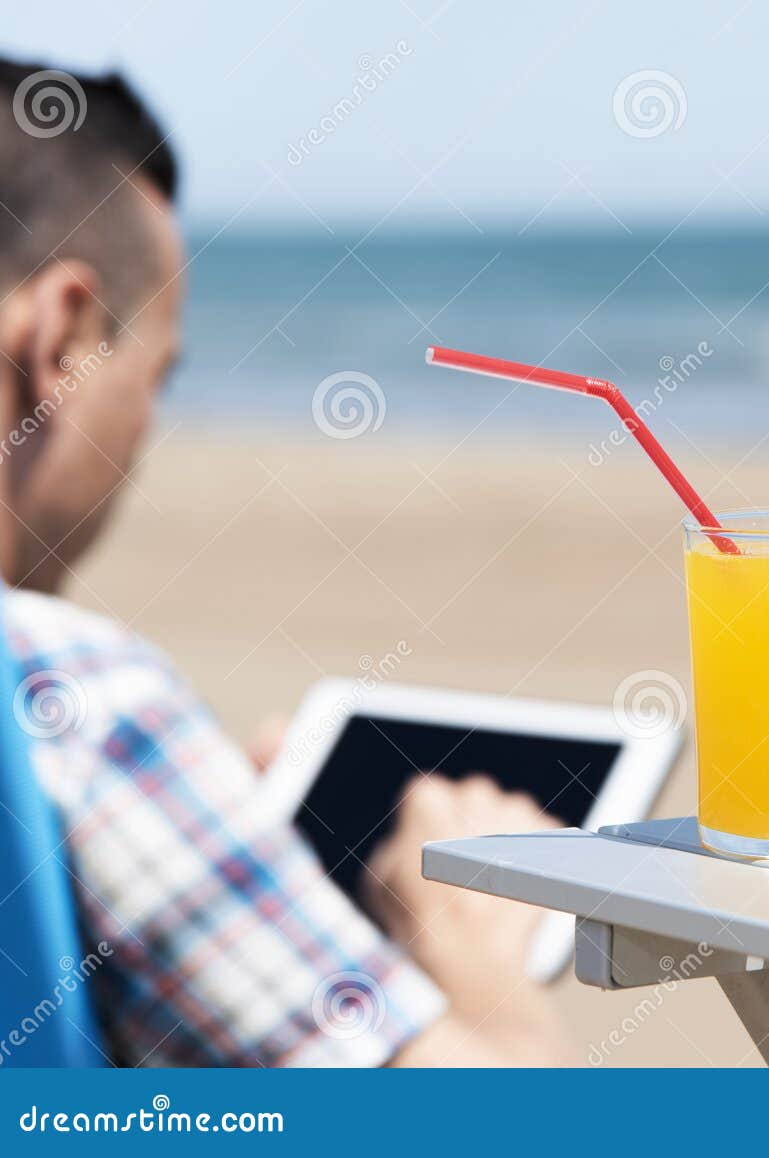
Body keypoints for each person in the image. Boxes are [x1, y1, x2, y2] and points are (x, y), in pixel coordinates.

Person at [0, 59, 566, 1066]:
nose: (144, 429)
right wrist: (461, 946)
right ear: (66, 338)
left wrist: (200, 857)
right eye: (154, 378)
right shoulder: (72, 694)